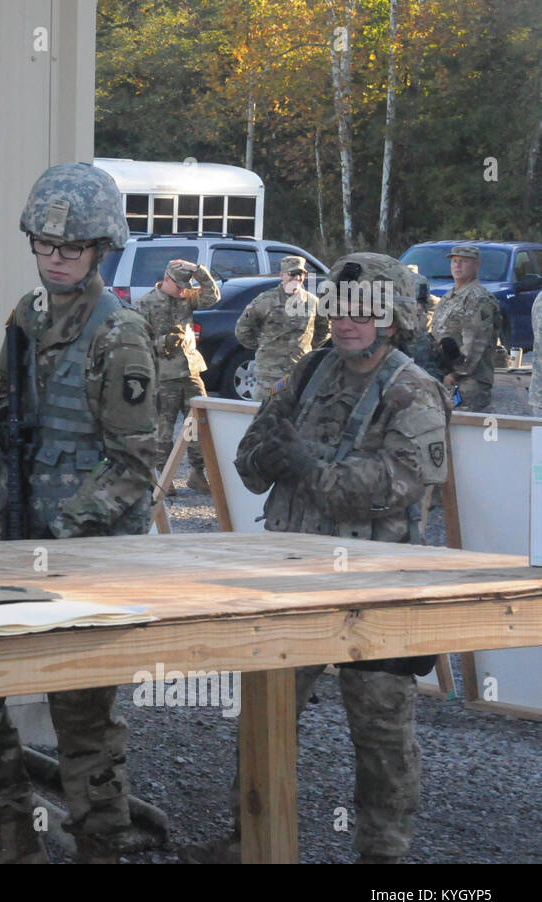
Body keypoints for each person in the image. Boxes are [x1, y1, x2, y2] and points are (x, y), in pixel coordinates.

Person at [179, 253, 450, 864]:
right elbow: (249, 458)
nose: (347, 321)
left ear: (392, 318)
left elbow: (403, 486)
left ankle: (383, 860)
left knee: (381, 734)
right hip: (293, 579)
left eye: (364, 311)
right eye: (339, 308)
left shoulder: (414, 390)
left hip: (376, 585)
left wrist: (310, 468)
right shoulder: (308, 373)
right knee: (265, 716)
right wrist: (272, 459)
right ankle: (251, 841)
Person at [0, 162, 162, 863]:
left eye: (71, 247)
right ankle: (13, 824)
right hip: (16, 541)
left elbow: (134, 464)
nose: (57, 257)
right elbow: (11, 433)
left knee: (81, 710)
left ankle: (100, 841)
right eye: (45, 244)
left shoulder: (120, 333)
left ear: (100, 247)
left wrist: (64, 527)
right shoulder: (24, 318)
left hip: (88, 555)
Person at [134, 259, 219, 493]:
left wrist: (197, 270)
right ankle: (164, 477)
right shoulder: (146, 303)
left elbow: (213, 296)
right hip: (165, 376)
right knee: (164, 429)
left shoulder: (187, 298)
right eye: (179, 284)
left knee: (197, 425)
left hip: (191, 371)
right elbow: (138, 342)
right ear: (167, 278)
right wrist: (163, 343)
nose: (183, 289)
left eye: (185, 285)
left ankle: (198, 473)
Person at [234, 255, 326, 400]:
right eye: (292, 274)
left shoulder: (313, 302)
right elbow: (243, 328)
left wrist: (308, 348)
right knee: (263, 418)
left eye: (301, 274)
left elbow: (325, 329)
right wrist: (261, 346)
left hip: (298, 374)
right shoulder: (266, 300)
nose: (297, 278)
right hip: (269, 376)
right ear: (282, 275)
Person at [429, 245, 504, 411]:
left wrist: (455, 374)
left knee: (465, 434)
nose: (457, 265)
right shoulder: (450, 296)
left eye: (464, 261)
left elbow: (475, 344)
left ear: (476, 265)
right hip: (443, 378)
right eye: (455, 261)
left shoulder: (479, 298)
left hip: (468, 384)